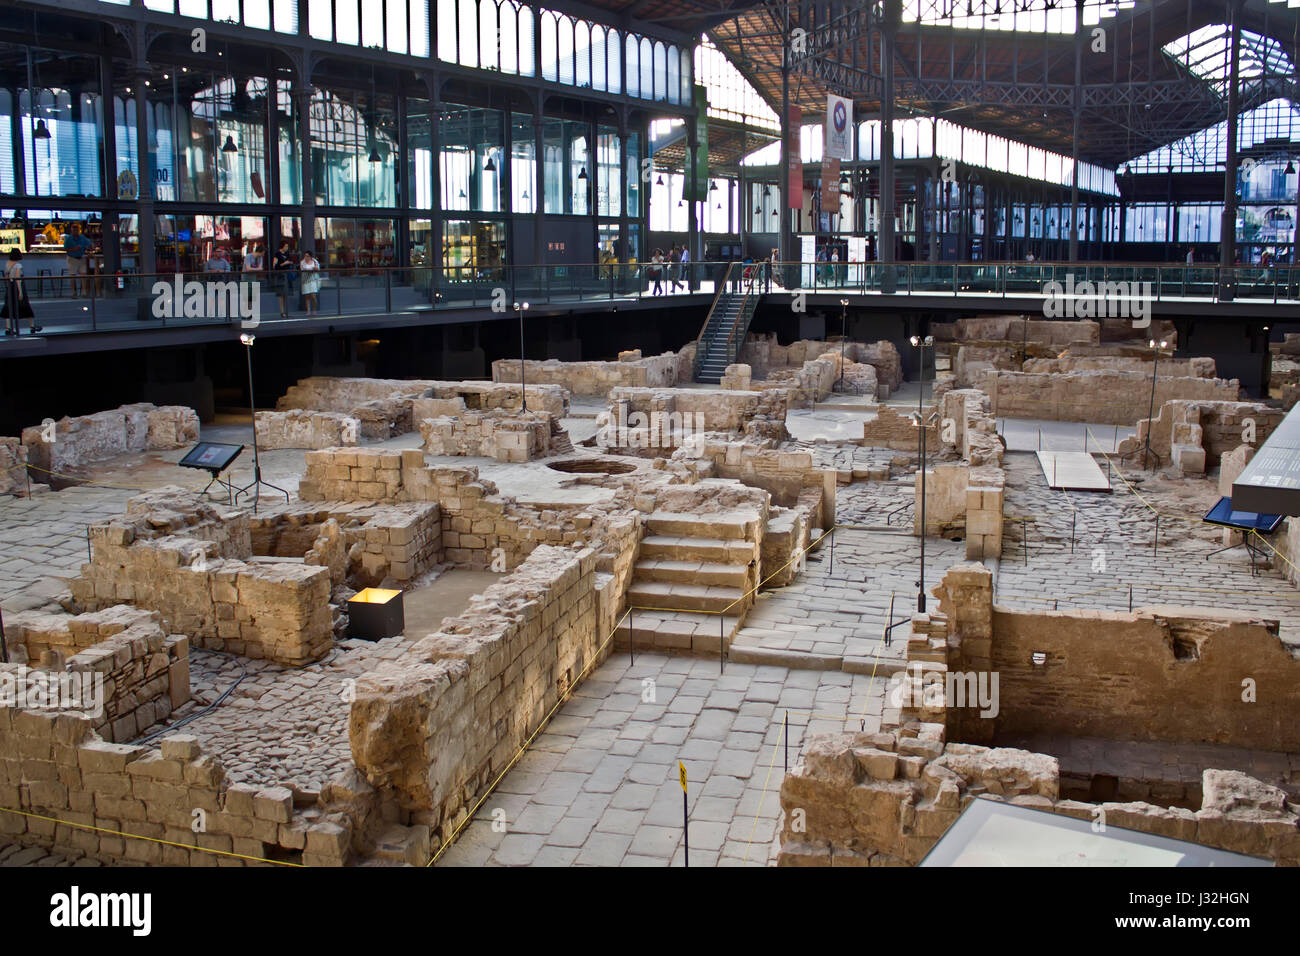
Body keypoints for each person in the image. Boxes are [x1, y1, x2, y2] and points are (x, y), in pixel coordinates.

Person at [3, 249, 41, 336]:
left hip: (10, 287)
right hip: (17, 287)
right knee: (25, 306)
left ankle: (8, 327)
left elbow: (6, 276)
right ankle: (32, 326)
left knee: (9, 307)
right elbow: (18, 279)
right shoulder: (18, 265)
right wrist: (20, 292)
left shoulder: (7, 264)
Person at [64, 223, 93, 298]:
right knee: (72, 276)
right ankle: (73, 293)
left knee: (84, 275)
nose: (75, 231)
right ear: (71, 231)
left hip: (81, 258)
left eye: (76, 230)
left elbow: (90, 245)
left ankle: (84, 292)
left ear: (78, 230)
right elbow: (65, 249)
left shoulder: (82, 238)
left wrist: (90, 252)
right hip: (72, 258)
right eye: (74, 230)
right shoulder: (69, 239)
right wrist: (74, 249)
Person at [272, 240, 295, 317]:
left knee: (286, 293)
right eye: (286, 246)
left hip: (287, 274)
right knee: (280, 294)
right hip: (280, 275)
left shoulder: (287, 254)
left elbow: (290, 262)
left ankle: (286, 310)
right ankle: (282, 312)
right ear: (282, 246)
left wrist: (289, 263)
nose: (287, 248)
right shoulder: (277, 254)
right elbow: (275, 266)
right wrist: (284, 263)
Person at [299, 249, 321, 316]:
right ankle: (308, 311)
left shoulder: (315, 261)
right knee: (307, 296)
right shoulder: (302, 262)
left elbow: (318, 269)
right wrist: (310, 269)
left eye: (307, 256)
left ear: (310, 257)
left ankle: (314, 310)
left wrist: (315, 269)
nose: (306, 257)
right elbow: (302, 269)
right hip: (306, 280)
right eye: (305, 256)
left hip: (313, 280)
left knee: (313, 296)